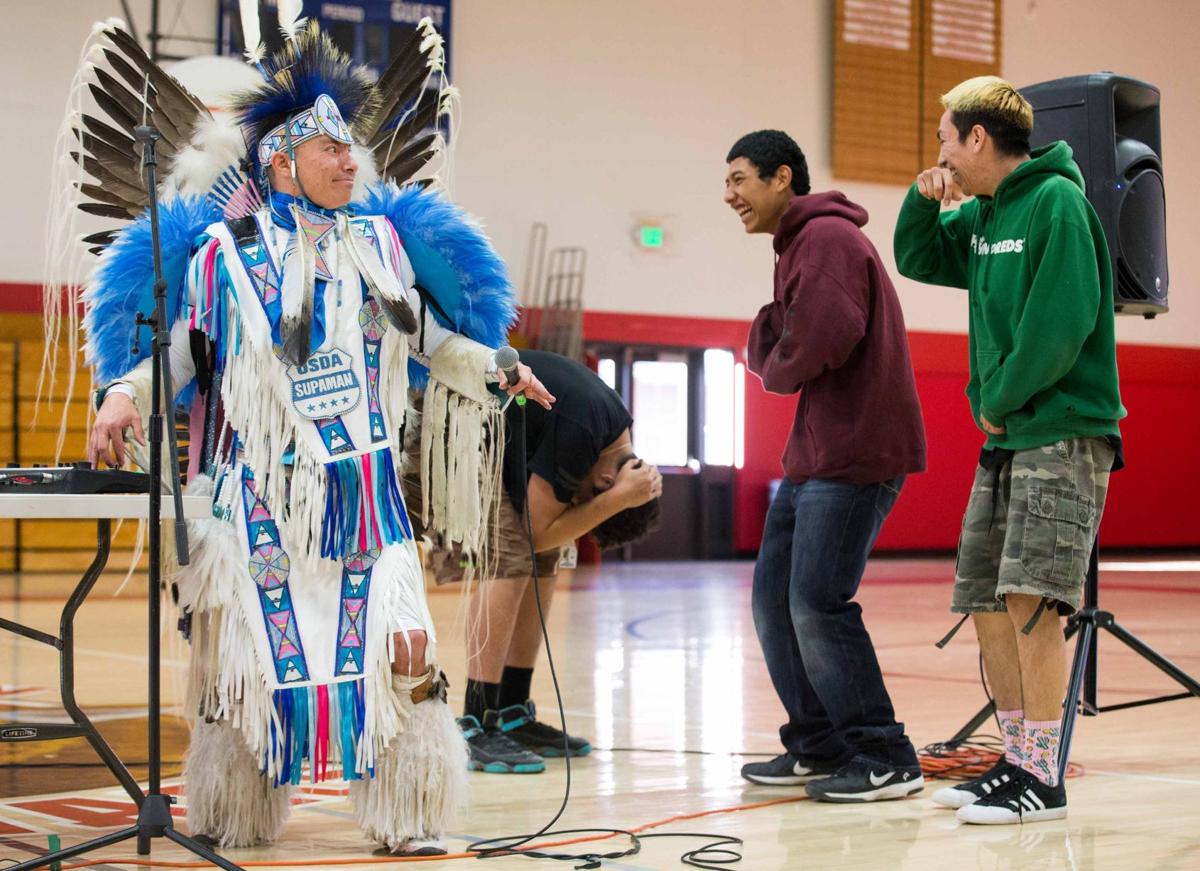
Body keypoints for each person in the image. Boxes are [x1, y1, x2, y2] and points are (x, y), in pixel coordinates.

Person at [82, 17, 549, 856]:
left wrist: (498, 365)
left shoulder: (380, 246)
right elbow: (186, 353)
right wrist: (124, 391)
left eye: (349, 148)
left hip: (364, 497)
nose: (349, 161)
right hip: (256, 495)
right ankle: (238, 811)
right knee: (245, 664)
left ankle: (409, 816)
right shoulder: (223, 255)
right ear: (280, 161)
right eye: (330, 148)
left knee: (406, 646)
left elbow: (431, 345)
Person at [894, 76, 1125, 824]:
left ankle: (1043, 773)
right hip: (1009, 434)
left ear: (978, 139)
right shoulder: (989, 215)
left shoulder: (1057, 203)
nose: (940, 151)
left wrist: (994, 400)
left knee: (1033, 598)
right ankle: (1015, 753)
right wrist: (923, 197)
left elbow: (1061, 325)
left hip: (1060, 427)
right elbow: (919, 257)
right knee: (989, 598)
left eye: (942, 137)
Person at [724, 130, 928, 802]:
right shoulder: (798, 246)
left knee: (817, 602)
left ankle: (883, 753)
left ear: (783, 178)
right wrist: (774, 341)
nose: (730, 196)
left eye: (739, 179)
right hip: (818, 454)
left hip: (856, 452)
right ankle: (819, 744)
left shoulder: (828, 241)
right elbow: (785, 330)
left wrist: (770, 356)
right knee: (774, 603)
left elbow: (813, 340)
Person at [403, 349, 662, 773]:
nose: (582, 504)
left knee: (547, 551)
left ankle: (511, 711)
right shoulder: (587, 433)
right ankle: (476, 720)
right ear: (607, 481)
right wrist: (616, 502)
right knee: (514, 554)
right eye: (597, 497)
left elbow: (549, 537)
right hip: (442, 425)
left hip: (486, 435)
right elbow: (535, 531)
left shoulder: (610, 437)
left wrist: (609, 503)